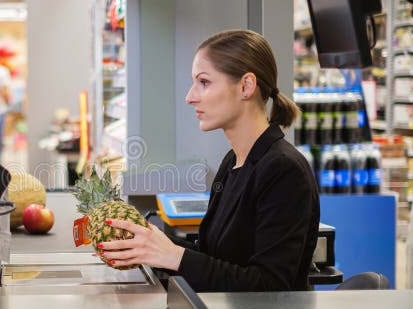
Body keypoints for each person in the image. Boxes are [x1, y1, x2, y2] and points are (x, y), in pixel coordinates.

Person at [100, 29, 320, 291]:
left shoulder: (284, 171)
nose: (190, 97)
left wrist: (173, 256)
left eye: (204, 82)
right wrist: (154, 243)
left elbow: (270, 286)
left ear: (246, 86)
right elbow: (216, 258)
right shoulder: (233, 162)